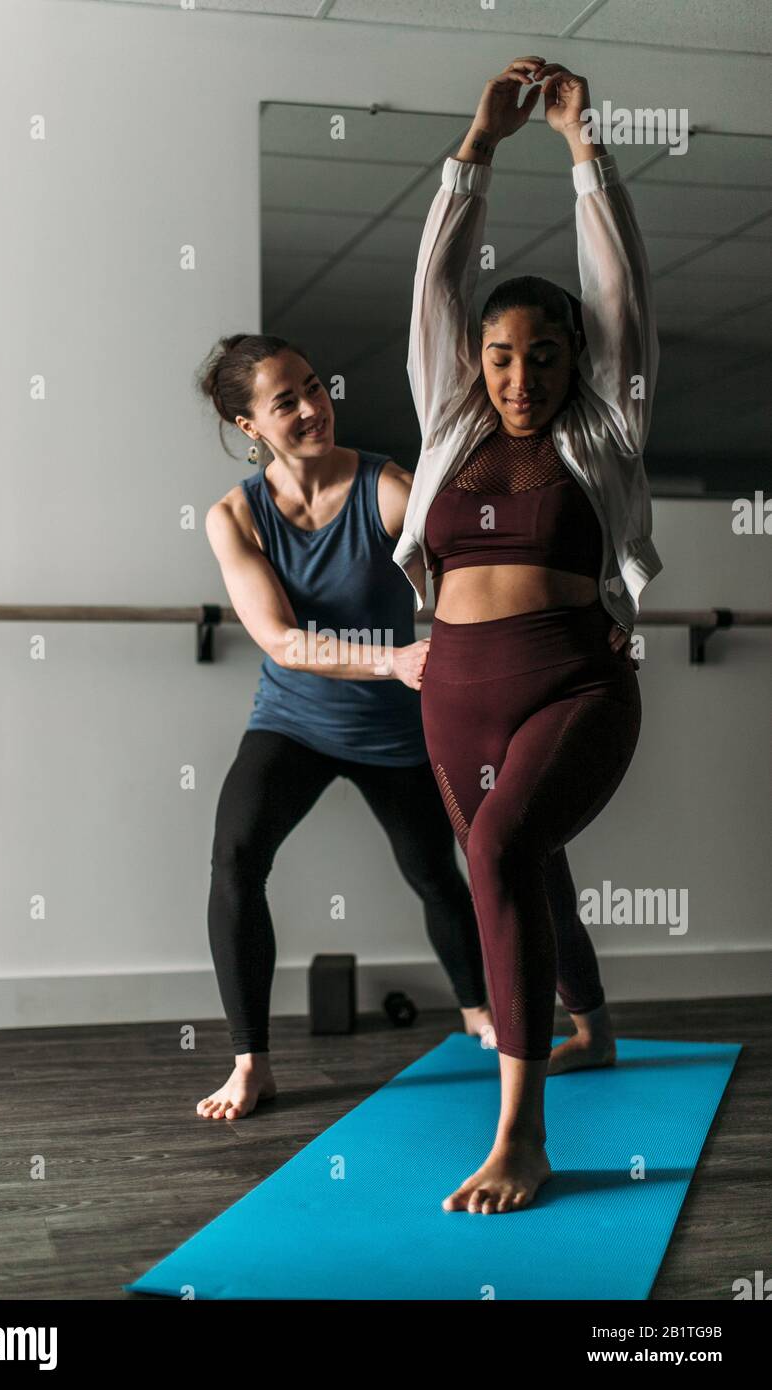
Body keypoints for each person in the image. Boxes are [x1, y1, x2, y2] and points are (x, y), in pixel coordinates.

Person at [394, 57, 663, 1213]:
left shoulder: (602, 423)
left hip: (572, 679)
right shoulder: (449, 419)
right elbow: (433, 285)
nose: (518, 375)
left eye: (541, 356)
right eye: (499, 356)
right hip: (453, 688)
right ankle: (589, 1028)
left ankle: (521, 1136)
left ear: (571, 362)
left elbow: (619, 297)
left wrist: (578, 147)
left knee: (502, 853)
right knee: (513, 864)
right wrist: (475, 145)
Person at [193, 334, 495, 1120]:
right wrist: (392, 660)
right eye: (283, 401)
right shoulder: (235, 517)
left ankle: (480, 1015)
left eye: (312, 387)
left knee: (433, 872)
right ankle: (249, 1061)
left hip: (397, 732)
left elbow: (463, 575)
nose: (309, 407)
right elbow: (283, 641)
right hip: (293, 721)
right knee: (235, 858)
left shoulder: (386, 488)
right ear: (247, 423)